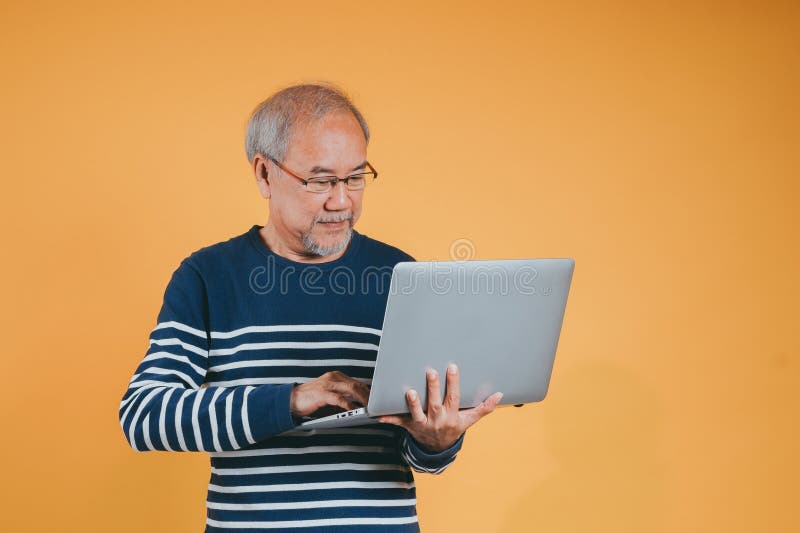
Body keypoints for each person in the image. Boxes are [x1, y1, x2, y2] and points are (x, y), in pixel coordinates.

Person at [119, 83, 503, 532]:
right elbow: (144, 417)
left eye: (356, 177)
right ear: (264, 174)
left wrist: (437, 441)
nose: (341, 201)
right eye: (320, 181)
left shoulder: (402, 275)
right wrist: (295, 399)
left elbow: (420, 457)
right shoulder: (207, 277)